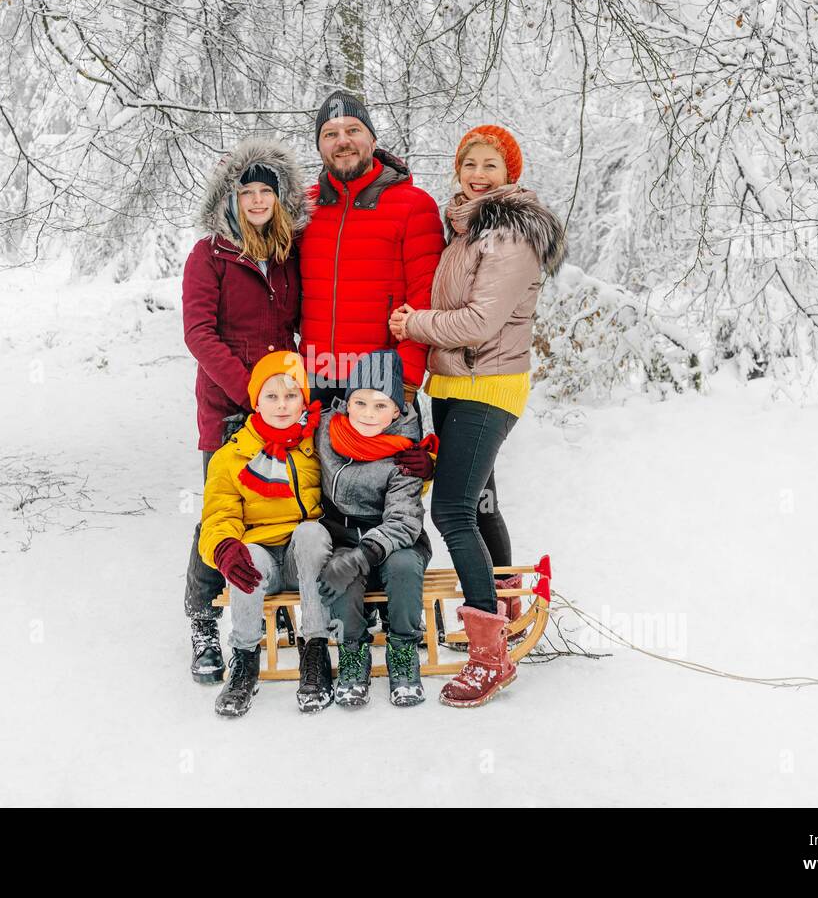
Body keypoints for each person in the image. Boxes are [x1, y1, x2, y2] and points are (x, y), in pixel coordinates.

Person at [390, 124, 566, 708]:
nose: (479, 173)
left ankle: (490, 656)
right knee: (482, 499)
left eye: (492, 165)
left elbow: (478, 322)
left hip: (488, 385)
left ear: (510, 175)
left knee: (452, 509)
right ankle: (503, 605)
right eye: (471, 163)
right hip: (458, 382)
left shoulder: (510, 234)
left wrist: (412, 324)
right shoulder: (468, 228)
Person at [181, 138, 310, 684]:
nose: (257, 200)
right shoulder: (208, 256)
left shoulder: (286, 254)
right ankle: (204, 621)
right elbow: (199, 334)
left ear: (280, 199)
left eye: (267, 191)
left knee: (281, 507)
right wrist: (250, 392)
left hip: (282, 410)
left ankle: (267, 609)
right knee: (221, 511)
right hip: (231, 409)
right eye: (247, 191)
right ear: (229, 199)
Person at [199, 351, 336, 717]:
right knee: (247, 554)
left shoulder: (319, 444)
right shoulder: (230, 457)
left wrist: (420, 469)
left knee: (311, 533)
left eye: (291, 395)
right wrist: (224, 547)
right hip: (262, 561)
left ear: (304, 400)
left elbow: (366, 481)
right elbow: (217, 517)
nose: (281, 405)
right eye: (271, 396)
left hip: (301, 559)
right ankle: (244, 661)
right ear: (256, 400)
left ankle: (315, 651)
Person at [298, 90, 444, 411]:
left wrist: (404, 378)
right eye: (330, 134)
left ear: (373, 140)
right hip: (314, 373)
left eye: (353, 130)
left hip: (381, 377)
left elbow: (425, 297)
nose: (342, 141)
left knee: (383, 464)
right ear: (320, 146)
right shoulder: (304, 206)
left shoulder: (414, 205)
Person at [313, 351, 436, 708]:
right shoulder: (326, 429)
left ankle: (402, 649)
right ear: (346, 403)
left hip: (396, 540)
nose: (368, 413)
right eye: (360, 402)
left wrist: (362, 555)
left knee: (401, 567)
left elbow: (403, 521)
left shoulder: (404, 453)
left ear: (397, 410)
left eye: (381, 405)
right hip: (342, 535)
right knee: (341, 573)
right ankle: (353, 653)